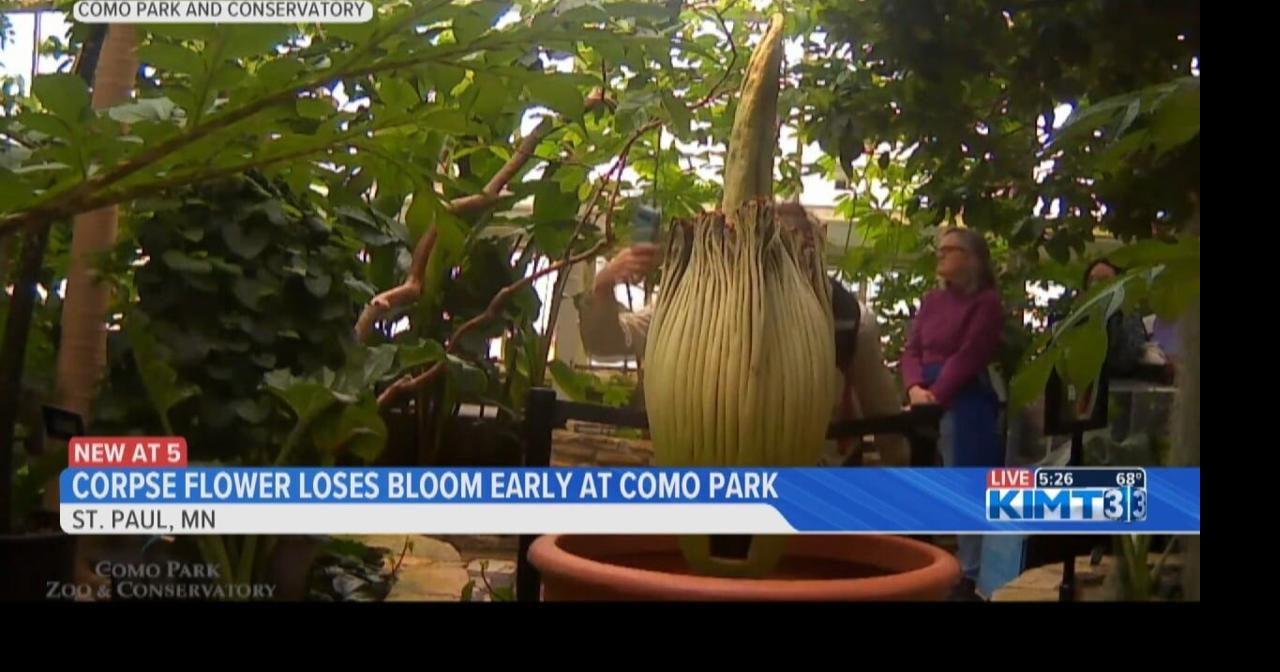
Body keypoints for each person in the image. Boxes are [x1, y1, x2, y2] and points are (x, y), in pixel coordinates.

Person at [576, 202, 910, 466]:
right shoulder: (698, 307)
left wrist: (912, 503)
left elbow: (883, 415)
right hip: (711, 483)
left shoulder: (850, 319)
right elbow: (607, 344)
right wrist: (604, 285)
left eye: (799, 252)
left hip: (814, 484)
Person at [900, 226, 1004, 599]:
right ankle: (931, 564)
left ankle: (972, 574)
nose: (941, 254)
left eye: (951, 249)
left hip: (964, 399)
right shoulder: (931, 301)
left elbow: (970, 356)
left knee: (968, 483)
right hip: (923, 399)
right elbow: (911, 350)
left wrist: (935, 396)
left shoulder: (986, 303)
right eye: (939, 249)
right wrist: (914, 388)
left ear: (972, 258)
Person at [1083, 260, 1150, 379]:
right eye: (1092, 280)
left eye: (1104, 280)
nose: (1096, 285)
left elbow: (1129, 355)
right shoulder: (1078, 320)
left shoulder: (1128, 315)